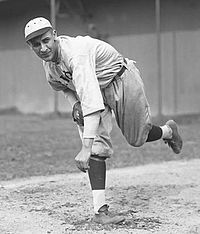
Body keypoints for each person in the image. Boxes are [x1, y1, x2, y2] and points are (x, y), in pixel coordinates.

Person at [24, 17, 183, 225]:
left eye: (45, 40)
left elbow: (91, 103)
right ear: (30, 46)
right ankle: (101, 211)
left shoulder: (76, 54)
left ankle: (168, 131)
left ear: (54, 34)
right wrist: (75, 105)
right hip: (97, 88)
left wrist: (85, 147)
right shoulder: (49, 66)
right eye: (36, 44)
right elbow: (63, 87)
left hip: (121, 79)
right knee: (97, 148)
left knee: (137, 138)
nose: (43, 48)